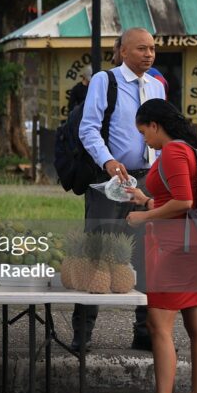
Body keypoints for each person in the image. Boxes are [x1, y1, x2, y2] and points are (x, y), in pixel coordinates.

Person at [122, 99, 197, 393]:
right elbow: (177, 198)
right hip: (196, 245)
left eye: (143, 131)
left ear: (155, 124)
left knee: (158, 324)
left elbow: (184, 201)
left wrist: (144, 216)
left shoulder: (174, 151)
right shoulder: (187, 150)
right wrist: (146, 199)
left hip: (177, 249)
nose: (144, 139)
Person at [74, 27, 165, 352]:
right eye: (141, 48)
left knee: (146, 256)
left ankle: (144, 331)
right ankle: (82, 335)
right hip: (109, 182)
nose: (149, 54)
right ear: (123, 51)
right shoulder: (105, 81)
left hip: (147, 181)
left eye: (152, 48)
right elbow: (88, 128)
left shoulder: (156, 86)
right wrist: (108, 161)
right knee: (98, 255)